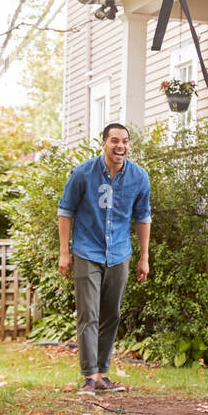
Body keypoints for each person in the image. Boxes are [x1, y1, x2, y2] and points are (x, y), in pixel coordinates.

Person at [57, 123, 151, 396]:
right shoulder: (83, 174)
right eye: (114, 141)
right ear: (103, 143)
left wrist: (144, 257)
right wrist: (65, 252)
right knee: (89, 314)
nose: (120, 146)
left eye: (124, 141)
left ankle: (101, 374)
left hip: (120, 253)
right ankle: (88, 376)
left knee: (111, 313)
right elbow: (66, 211)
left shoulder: (139, 177)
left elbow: (142, 218)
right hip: (87, 250)